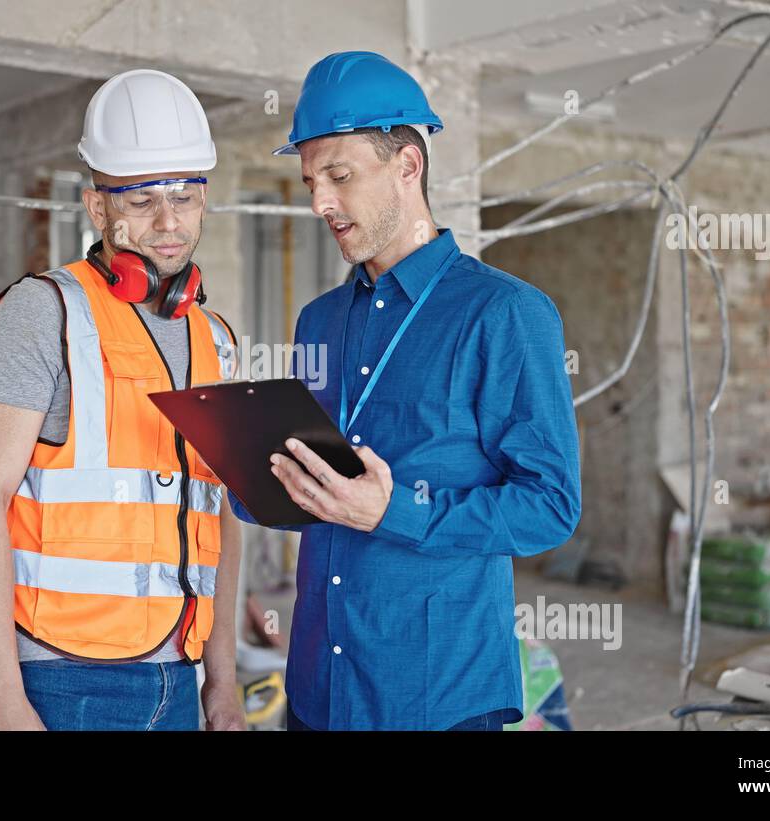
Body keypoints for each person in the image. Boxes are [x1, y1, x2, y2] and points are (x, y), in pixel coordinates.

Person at [232, 51, 582, 730]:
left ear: (407, 166)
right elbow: (318, 489)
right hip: (317, 691)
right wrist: (248, 472)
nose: (319, 203)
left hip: (434, 697)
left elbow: (550, 506)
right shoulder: (320, 320)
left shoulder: (505, 314)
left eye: (339, 176)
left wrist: (394, 511)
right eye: (309, 181)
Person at [0, 68, 246, 731]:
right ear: (98, 207)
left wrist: (222, 680)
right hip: (65, 677)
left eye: (186, 196)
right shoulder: (41, 313)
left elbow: (219, 516)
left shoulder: (217, 339)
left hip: (181, 668)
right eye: (141, 201)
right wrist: (1, 699)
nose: (169, 222)